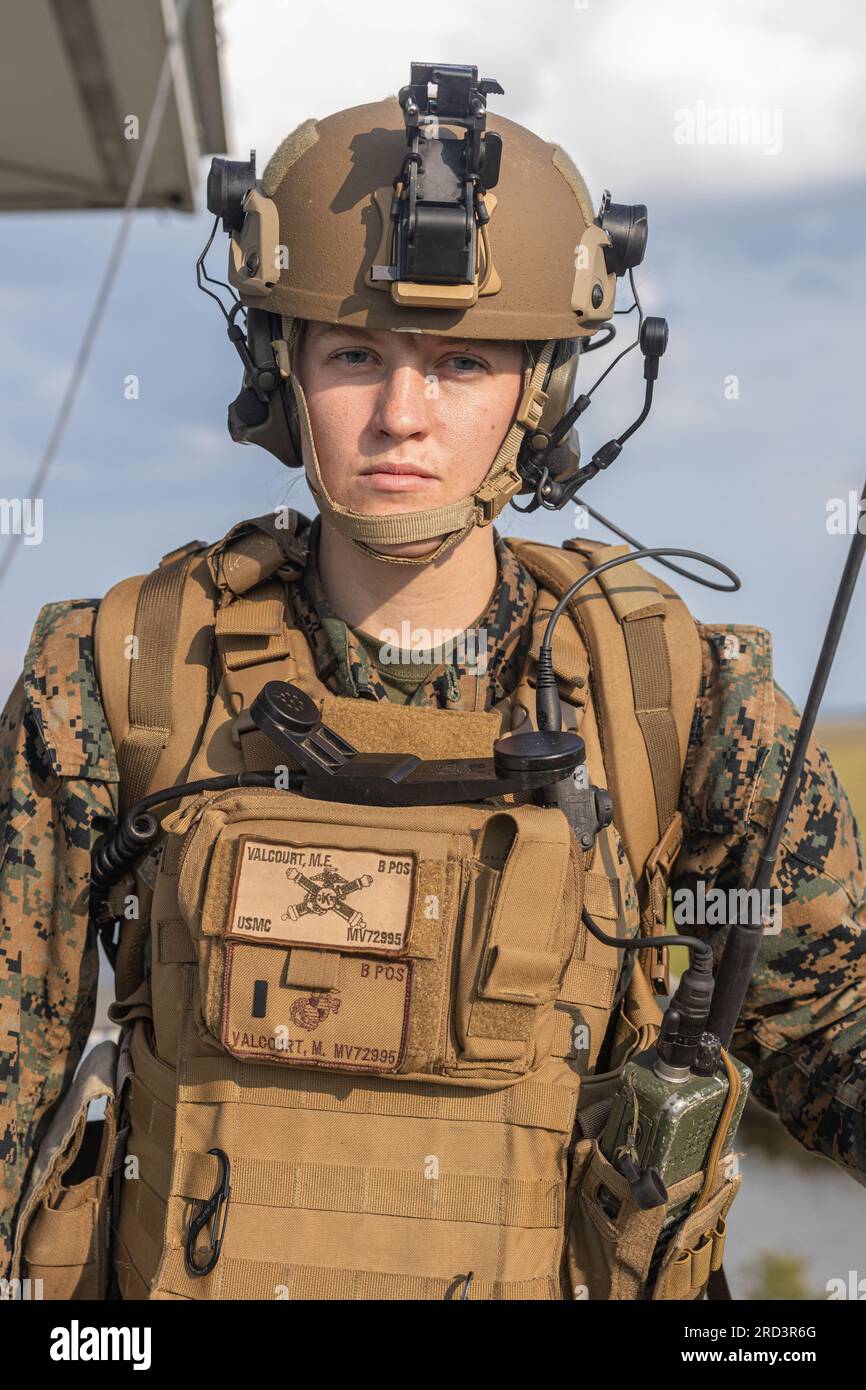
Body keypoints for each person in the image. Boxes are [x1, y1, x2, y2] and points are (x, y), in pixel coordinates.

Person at [1, 67, 863, 1302]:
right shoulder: (114, 673)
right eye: (355, 352)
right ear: (281, 365)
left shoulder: (673, 696)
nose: (401, 413)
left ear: (541, 391)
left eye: (459, 365)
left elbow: (826, 1025)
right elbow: (8, 1055)